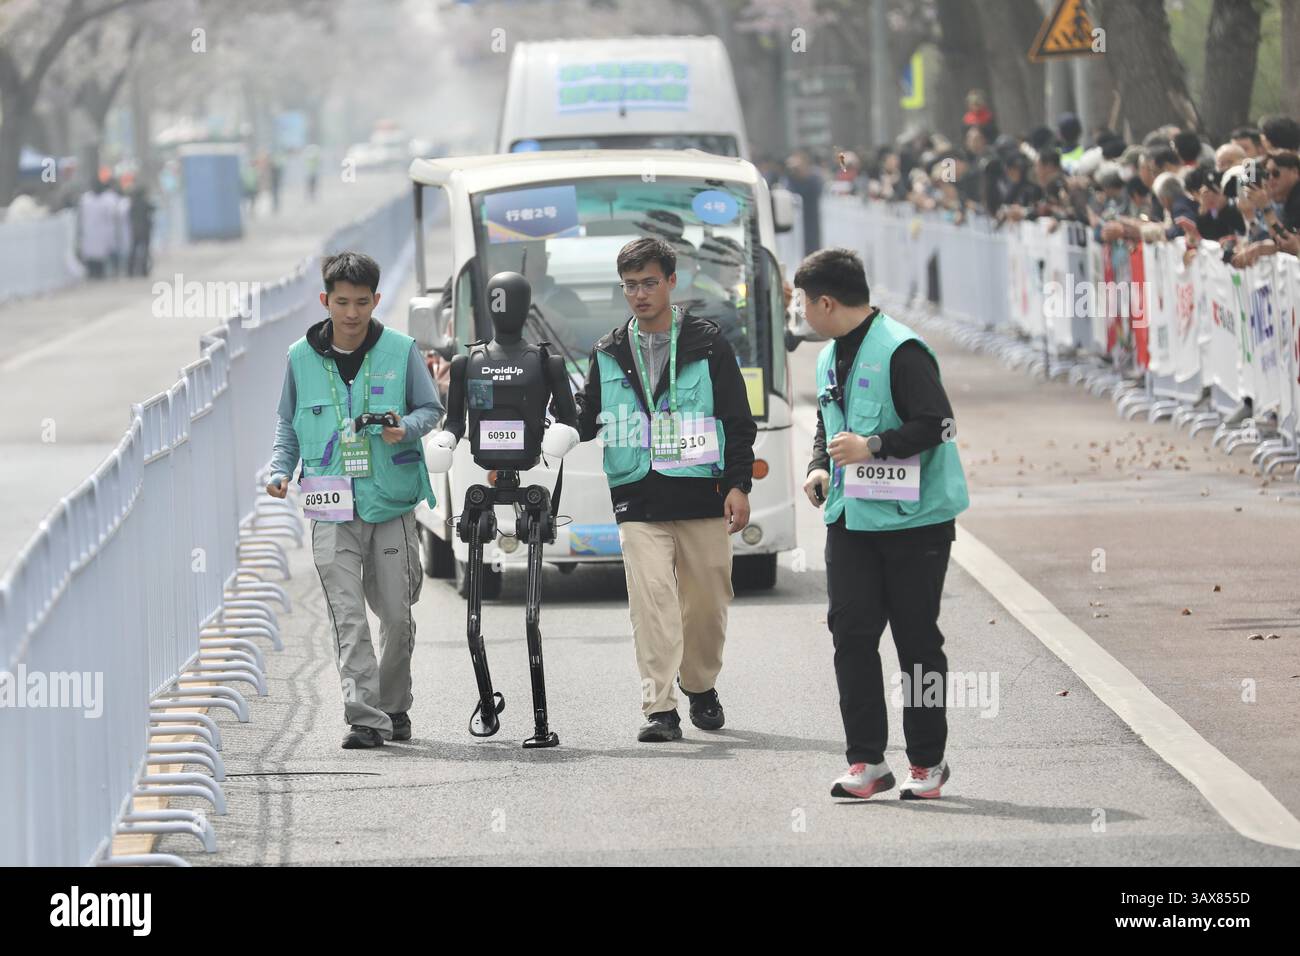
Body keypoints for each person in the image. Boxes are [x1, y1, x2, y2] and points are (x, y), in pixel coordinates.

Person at [795, 247, 969, 800]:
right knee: (851, 635)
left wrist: (873, 446)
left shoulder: (900, 349)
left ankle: (927, 764)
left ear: (826, 301)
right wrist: (820, 465)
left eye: (802, 302)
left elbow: (938, 424)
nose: (799, 312)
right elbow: (830, 423)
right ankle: (867, 761)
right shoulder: (828, 356)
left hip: (915, 523)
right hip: (852, 519)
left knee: (917, 642)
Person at [574, 237, 756, 742]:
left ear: (672, 282)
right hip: (638, 498)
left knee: (707, 605)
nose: (639, 294)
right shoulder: (608, 351)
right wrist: (549, 426)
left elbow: (737, 422)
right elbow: (585, 417)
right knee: (652, 602)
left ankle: (699, 686)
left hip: (702, 495)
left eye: (649, 283)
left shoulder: (708, 344)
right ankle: (660, 707)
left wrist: (738, 485)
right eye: (630, 285)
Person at [266, 252, 443, 749]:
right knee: (347, 615)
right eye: (341, 302)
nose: (350, 313)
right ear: (325, 300)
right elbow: (288, 423)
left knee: (396, 612)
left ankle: (393, 704)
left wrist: (404, 428)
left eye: (361, 303)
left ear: (376, 301)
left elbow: (432, 407)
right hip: (329, 502)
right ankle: (364, 717)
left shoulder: (401, 350)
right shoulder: (299, 357)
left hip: (389, 499)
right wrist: (280, 470)